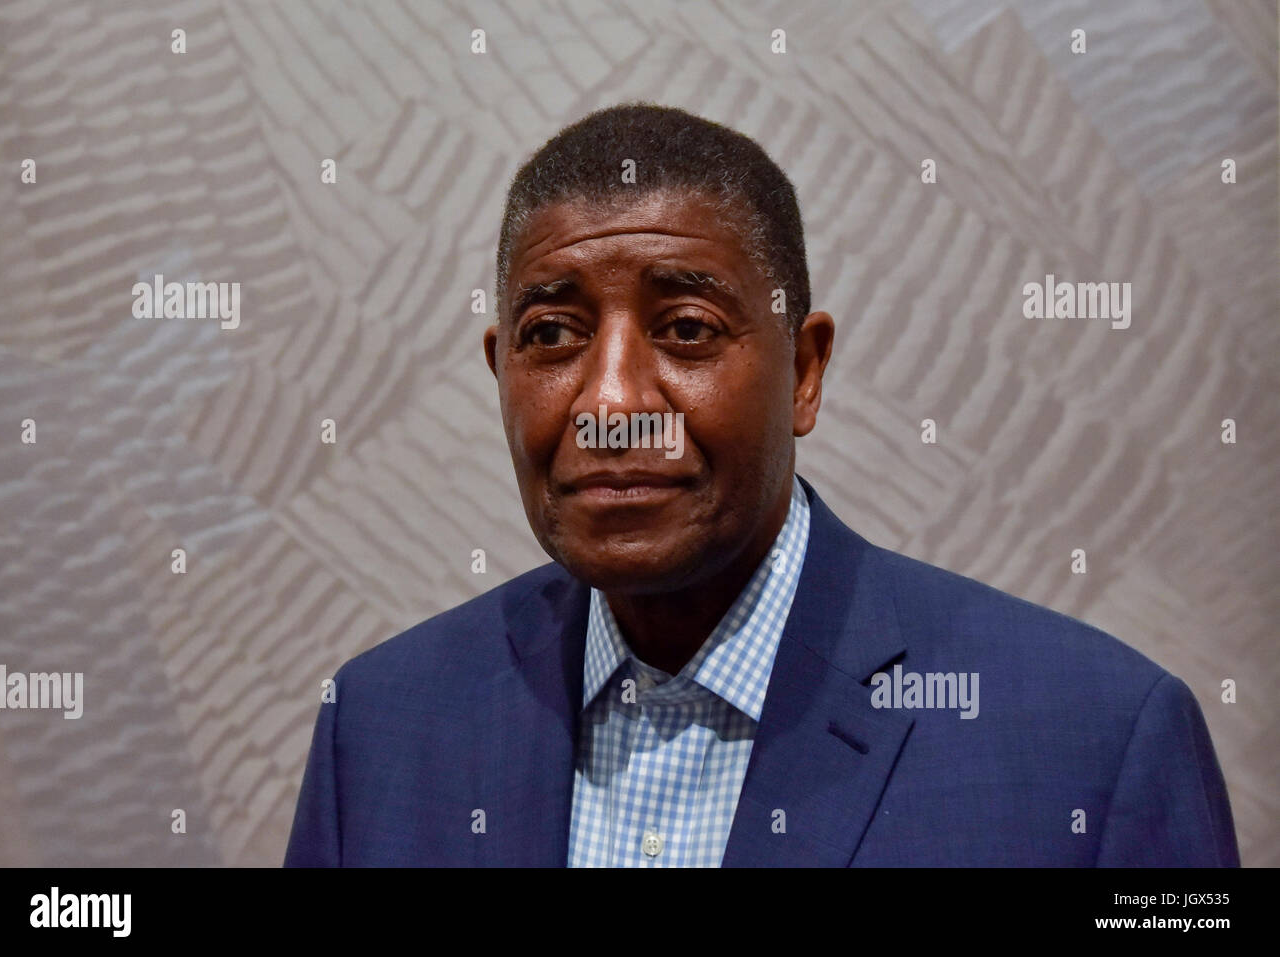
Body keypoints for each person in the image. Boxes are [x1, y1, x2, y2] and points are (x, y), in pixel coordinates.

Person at [284, 102, 1239, 867]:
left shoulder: (1092, 739)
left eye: (688, 328)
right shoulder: (379, 730)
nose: (611, 399)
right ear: (501, 372)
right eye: (553, 336)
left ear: (805, 370)